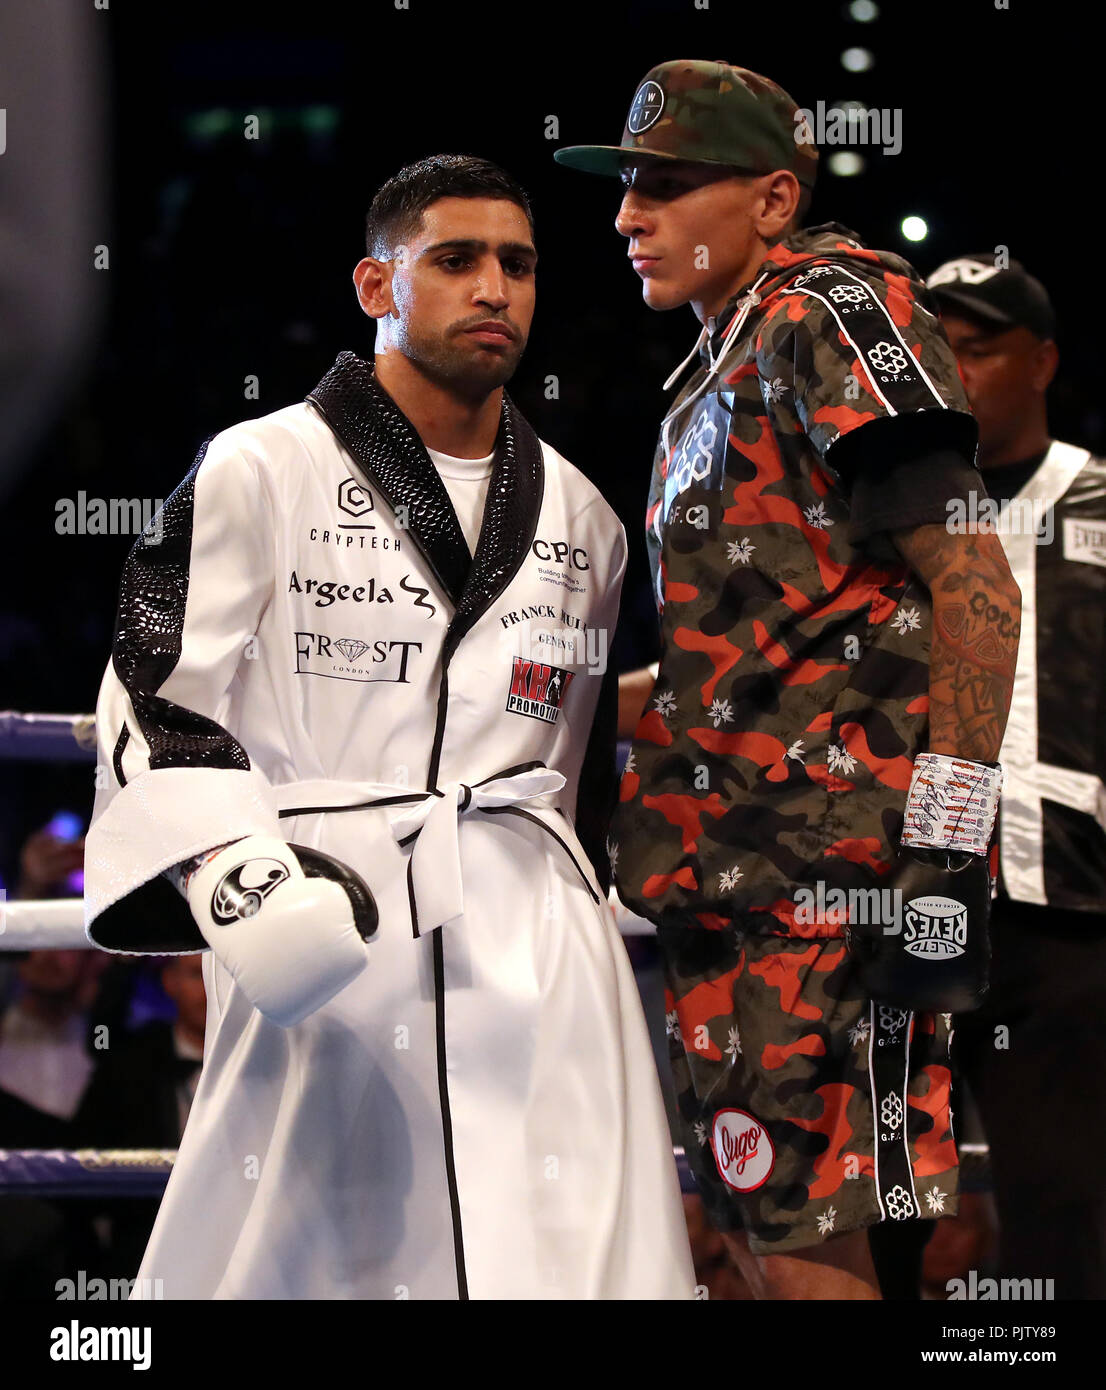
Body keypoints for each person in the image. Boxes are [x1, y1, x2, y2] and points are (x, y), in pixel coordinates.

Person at [82, 153, 695, 1299]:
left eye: (516, 263)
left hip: (543, 950)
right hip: (329, 923)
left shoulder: (586, 518)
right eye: (454, 259)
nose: (494, 289)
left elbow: (580, 778)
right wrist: (242, 882)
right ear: (376, 285)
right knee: (316, 1250)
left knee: (565, 1254)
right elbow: (154, 695)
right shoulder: (258, 467)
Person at [555, 60, 1020, 1300]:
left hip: (839, 886)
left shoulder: (830, 310)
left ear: (770, 200)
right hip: (742, 874)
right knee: (770, 1249)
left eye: (666, 185)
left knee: (816, 1260)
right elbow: (764, 649)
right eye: (625, 187)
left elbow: (975, 585)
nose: (626, 216)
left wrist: (938, 858)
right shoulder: (724, 349)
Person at [925, 255, 1106, 1298]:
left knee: (1062, 1219)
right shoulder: (871, 514)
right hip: (902, 910)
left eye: (977, 348)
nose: (950, 372)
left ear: (1038, 361)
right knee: (882, 1211)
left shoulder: (1096, 503)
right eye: (932, 350)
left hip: (1067, 918)